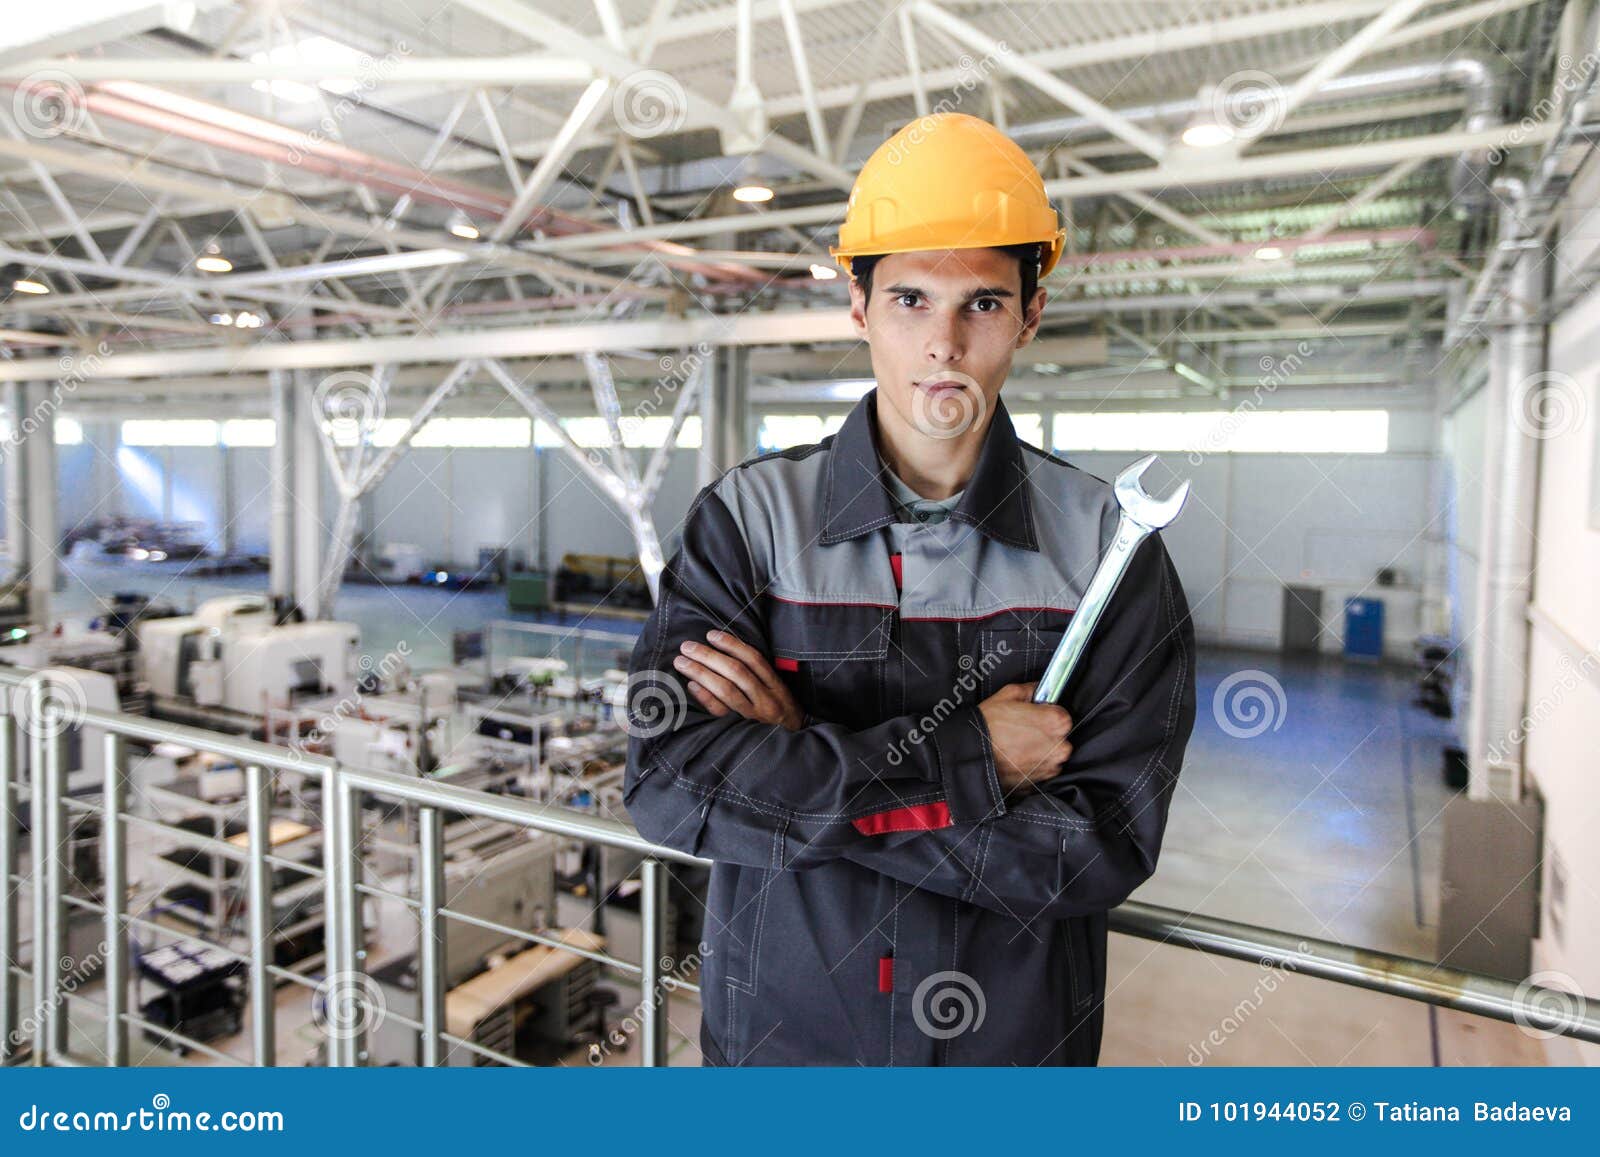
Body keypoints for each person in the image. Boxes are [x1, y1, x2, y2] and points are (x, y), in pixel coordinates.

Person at [622, 112, 1196, 1065]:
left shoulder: (1109, 549)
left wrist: (801, 765)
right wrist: (966, 764)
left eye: (981, 303)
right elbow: (670, 786)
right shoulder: (749, 523)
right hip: (779, 1058)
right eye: (910, 300)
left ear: (1030, 312)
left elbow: (1096, 849)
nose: (943, 344)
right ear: (858, 306)